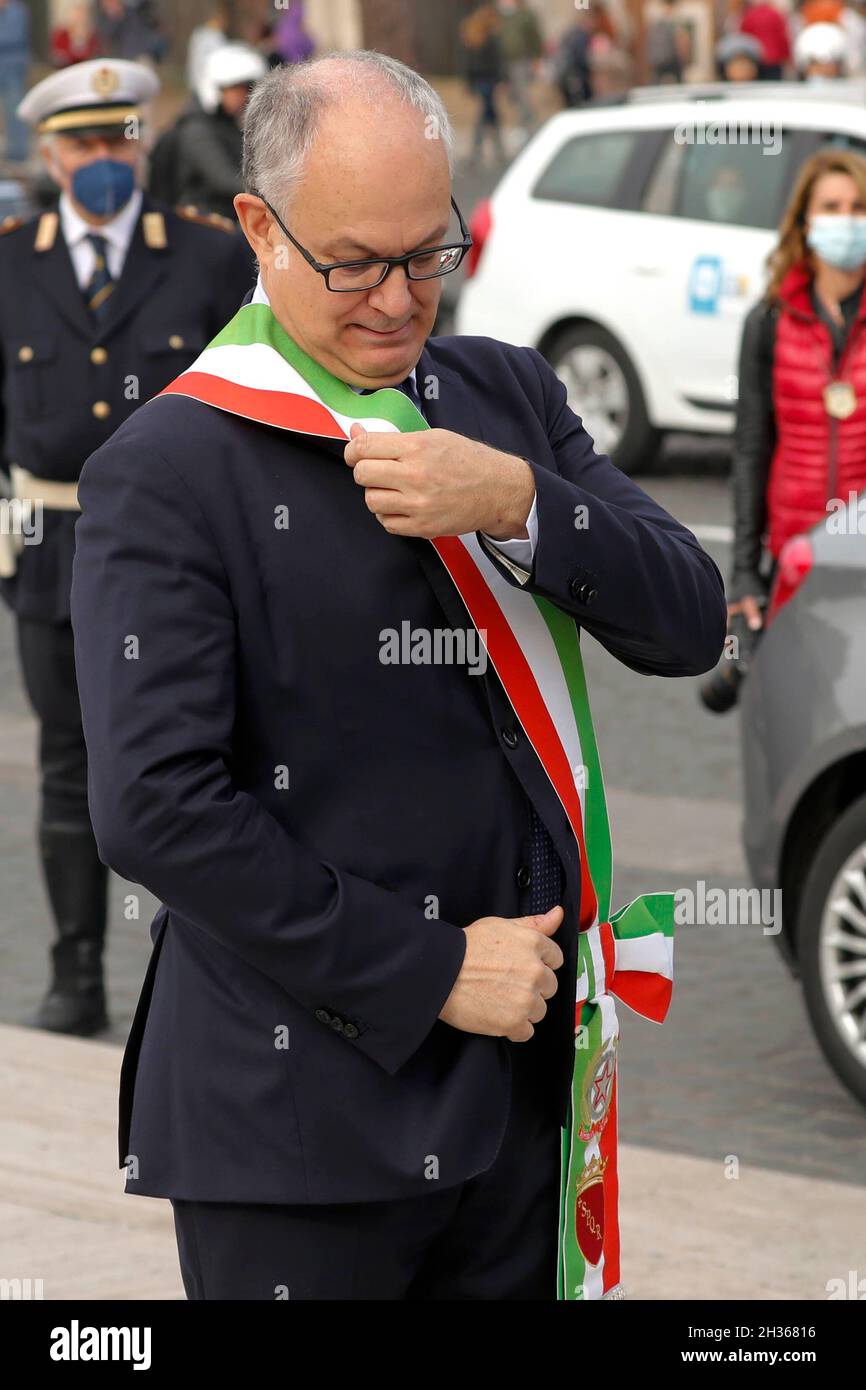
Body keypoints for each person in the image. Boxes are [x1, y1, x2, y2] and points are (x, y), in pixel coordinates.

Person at [69, 51, 726, 1301]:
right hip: (299, 1127)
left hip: (520, 1101)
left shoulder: (503, 393)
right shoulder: (169, 466)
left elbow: (689, 621)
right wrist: (432, 970)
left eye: (430, 253)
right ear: (258, 228)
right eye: (355, 262)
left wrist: (522, 503)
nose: (397, 298)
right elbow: (154, 807)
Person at [0, 59, 254, 1035]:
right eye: (83, 142)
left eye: (119, 137)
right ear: (49, 154)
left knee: (196, 765)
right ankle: (74, 976)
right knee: (67, 766)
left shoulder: (208, 256)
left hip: (180, 556)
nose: (103, 157)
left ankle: (196, 979)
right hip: (52, 549)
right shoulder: (10, 262)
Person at [706, 148, 866, 712]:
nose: (847, 220)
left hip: (863, 562)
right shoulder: (769, 321)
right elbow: (750, 451)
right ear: (804, 221)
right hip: (795, 562)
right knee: (794, 720)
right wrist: (745, 575)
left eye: (859, 207)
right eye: (832, 207)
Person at [168, 43, 266, 223]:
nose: (243, 96)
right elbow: (224, 179)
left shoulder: (227, 123)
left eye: (246, 88)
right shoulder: (197, 129)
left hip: (230, 217)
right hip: (205, 221)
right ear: (215, 89)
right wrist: (273, 190)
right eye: (235, 89)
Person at [460, 4, 506, 168]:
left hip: (479, 81)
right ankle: (490, 151)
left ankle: (483, 151)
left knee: (488, 114)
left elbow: (468, 63)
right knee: (488, 115)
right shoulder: (489, 39)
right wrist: (500, 79)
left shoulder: (473, 38)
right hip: (487, 81)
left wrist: (469, 82)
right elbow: (496, 62)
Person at [497, 0, 543, 136]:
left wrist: (536, 58)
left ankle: (529, 127)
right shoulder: (498, 15)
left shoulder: (525, 15)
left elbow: (534, 37)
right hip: (501, 62)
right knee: (511, 96)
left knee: (522, 94)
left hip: (520, 61)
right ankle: (517, 125)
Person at [0, 0, 29, 163]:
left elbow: (12, 37)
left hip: (12, 69)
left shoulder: (17, 11)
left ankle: (18, 153)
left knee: (14, 112)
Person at [739, 0, 792, 78]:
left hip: (757, 59)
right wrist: (787, 57)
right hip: (774, 59)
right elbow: (782, 38)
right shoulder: (775, 14)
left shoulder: (749, 16)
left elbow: (744, 38)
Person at [186, 1, 228, 95]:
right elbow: (196, 59)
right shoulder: (203, 35)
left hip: (213, 77)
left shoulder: (218, 36)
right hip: (203, 76)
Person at [555, 10, 594, 106]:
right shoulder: (580, 36)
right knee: (583, 101)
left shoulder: (571, 33)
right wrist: (589, 69)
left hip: (565, 74)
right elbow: (580, 58)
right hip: (574, 74)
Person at [51, 3, 103, 69]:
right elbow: (59, 58)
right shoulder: (61, 35)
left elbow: (95, 58)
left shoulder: (93, 37)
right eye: (76, 16)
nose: (78, 20)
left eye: (81, 16)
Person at [647, 0, 687, 84]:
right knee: (680, 79)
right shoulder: (675, 21)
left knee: (657, 79)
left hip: (660, 59)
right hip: (672, 58)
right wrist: (683, 56)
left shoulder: (657, 22)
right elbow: (680, 40)